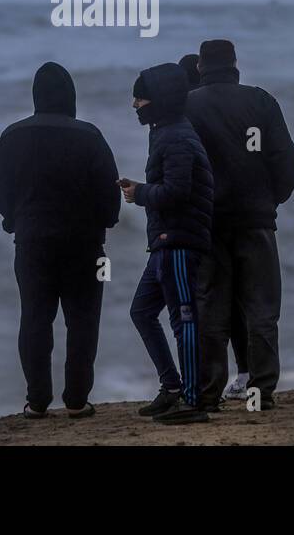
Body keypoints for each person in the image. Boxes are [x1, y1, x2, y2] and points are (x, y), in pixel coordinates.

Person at [0, 62, 121, 418]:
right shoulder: (90, 136)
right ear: (71, 97)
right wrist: (106, 222)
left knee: (34, 318)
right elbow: (109, 193)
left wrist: (14, 219)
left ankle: (37, 401)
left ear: (36, 96)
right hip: (85, 245)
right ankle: (77, 399)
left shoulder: (12, 136)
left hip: (32, 242)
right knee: (82, 320)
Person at [186, 39, 294, 410]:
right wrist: (272, 199)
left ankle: (209, 393)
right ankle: (260, 391)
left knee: (212, 308)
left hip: (209, 222)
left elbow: (176, 162)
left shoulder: (188, 105)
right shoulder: (261, 101)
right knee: (261, 308)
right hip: (255, 219)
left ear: (201, 67)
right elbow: (285, 158)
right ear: (235, 64)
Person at [119, 62, 214, 425]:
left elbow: (178, 191)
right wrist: (141, 190)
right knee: (141, 312)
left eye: (139, 97)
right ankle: (172, 387)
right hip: (164, 240)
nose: (134, 105)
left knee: (183, 319)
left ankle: (193, 401)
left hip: (178, 241)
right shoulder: (165, 131)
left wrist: (139, 193)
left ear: (158, 99)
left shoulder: (176, 136)